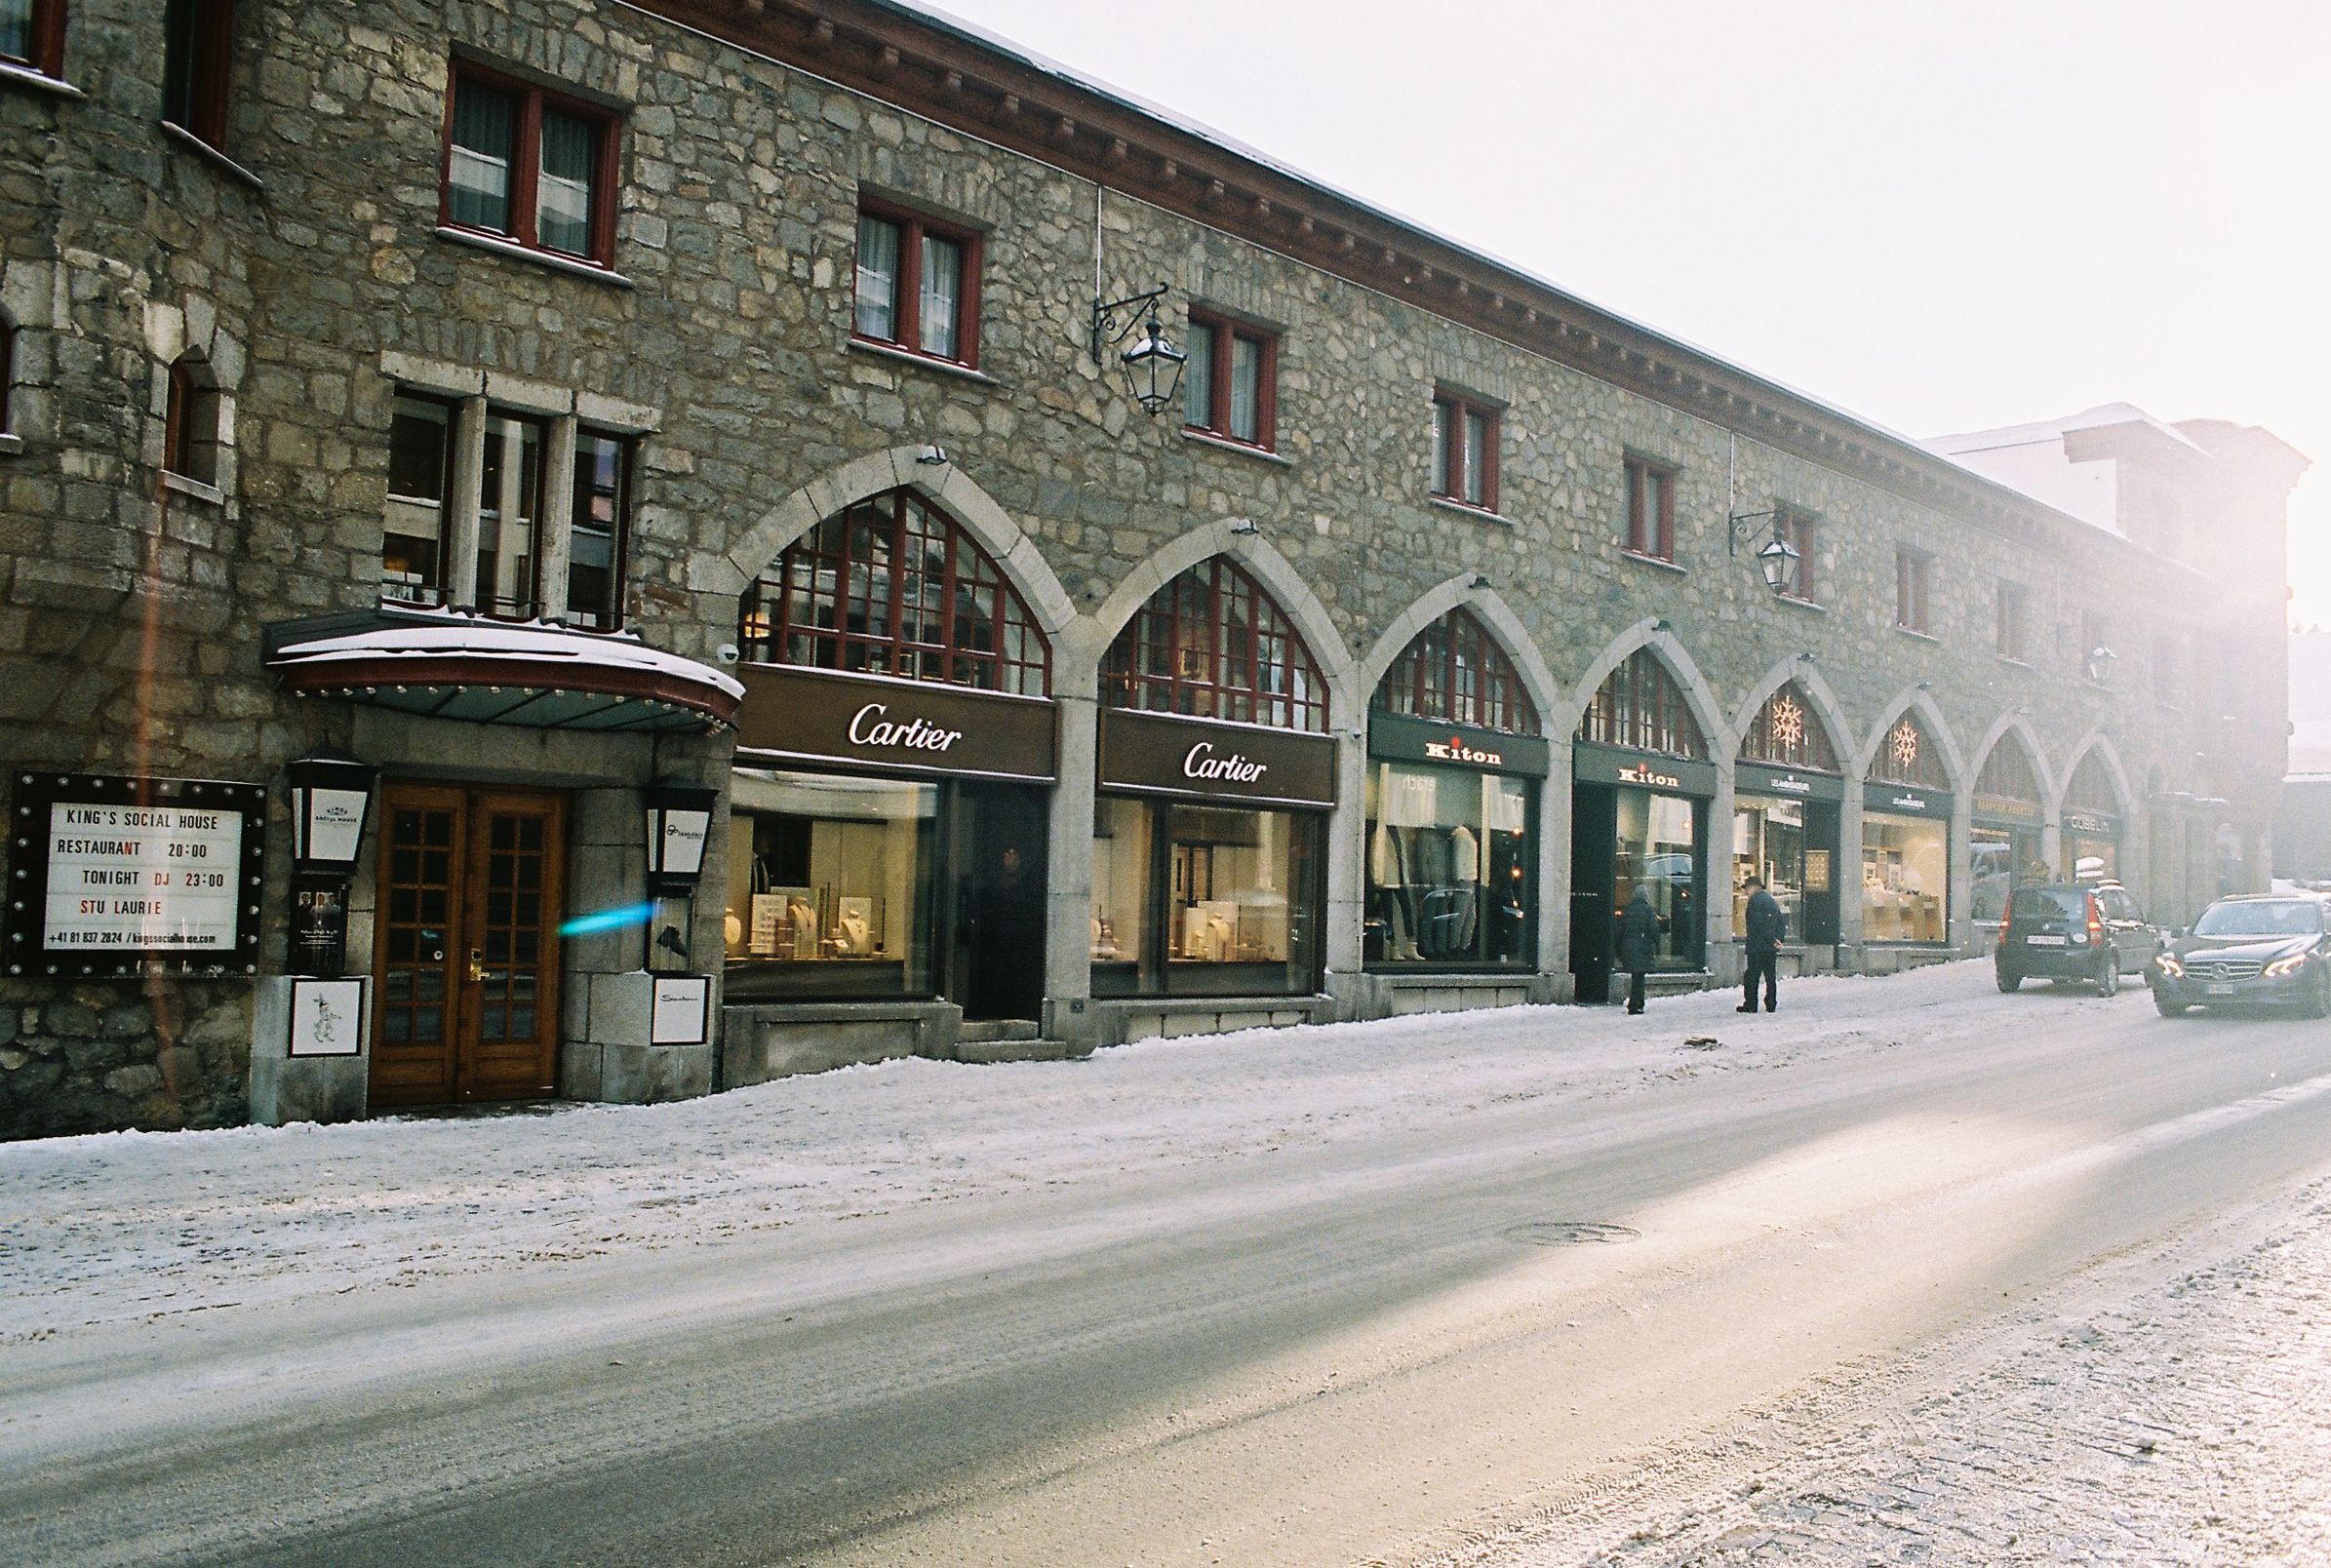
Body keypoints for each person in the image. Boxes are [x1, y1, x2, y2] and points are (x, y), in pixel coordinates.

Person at [1616, 883, 1665, 1015]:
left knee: (1636, 977)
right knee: (1639, 978)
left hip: (1629, 948)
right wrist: (1657, 944)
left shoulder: (1628, 910)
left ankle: (1636, 1003)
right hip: (1643, 948)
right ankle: (1636, 1004)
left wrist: (1619, 949)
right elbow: (1654, 930)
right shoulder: (1649, 911)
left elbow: (1619, 931)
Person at [1740, 876, 1785, 1013]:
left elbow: (1758, 925)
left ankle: (1751, 1004)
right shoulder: (1771, 901)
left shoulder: (1754, 901)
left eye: (1747, 889)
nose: (1746, 892)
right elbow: (1780, 922)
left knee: (1752, 976)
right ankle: (1771, 1003)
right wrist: (1778, 940)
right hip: (1770, 948)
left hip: (1757, 947)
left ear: (1753, 887)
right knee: (1770, 977)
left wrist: (1770, 939)